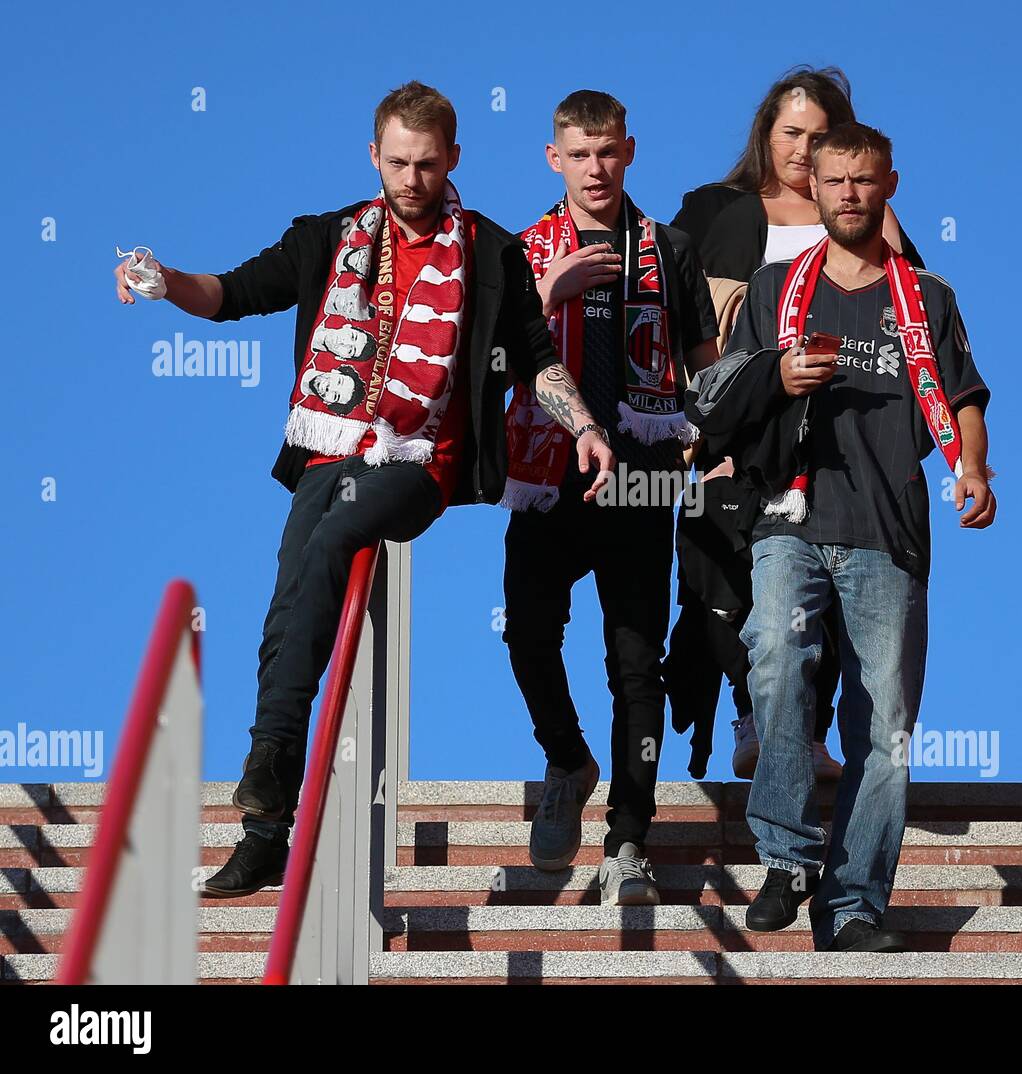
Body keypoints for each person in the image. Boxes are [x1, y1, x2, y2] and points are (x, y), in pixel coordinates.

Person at [115, 81, 615, 898]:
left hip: (418, 463)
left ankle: (270, 767)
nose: (410, 180)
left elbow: (533, 353)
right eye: (395, 162)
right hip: (325, 454)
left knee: (333, 542)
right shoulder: (326, 237)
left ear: (453, 159)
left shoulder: (490, 251)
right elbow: (234, 294)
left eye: (426, 164)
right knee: (288, 609)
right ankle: (265, 826)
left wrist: (586, 423)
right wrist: (162, 278)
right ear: (372, 156)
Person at [685, 122, 996, 952]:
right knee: (779, 662)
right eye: (834, 181)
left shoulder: (927, 296)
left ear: (890, 183)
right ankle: (787, 860)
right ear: (812, 188)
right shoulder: (774, 287)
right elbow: (713, 394)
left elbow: (964, 392)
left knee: (884, 726)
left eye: (864, 180)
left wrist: (972, 468)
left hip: (889, 533)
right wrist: (777, 376)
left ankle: (854, 905)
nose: (850, 194)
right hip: (789, 517)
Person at [667, 67, 926, 781]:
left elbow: (919, 321)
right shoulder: (718, 208)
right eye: (791, 133)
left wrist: (888, 224)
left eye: (820, 137)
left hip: (844, 445)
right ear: (766, 133)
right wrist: (704, 431)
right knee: (729, 578)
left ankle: (807, 733)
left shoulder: (855, 213)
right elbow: (670, 310)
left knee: (835, 589)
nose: (803, 149)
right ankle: (756, 717)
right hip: (734, 433)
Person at [500, 90, 718, 905]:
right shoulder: (520, 252)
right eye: (579, 154)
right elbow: (488, 367)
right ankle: (566, 757)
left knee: (636, 664)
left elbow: (705, 368)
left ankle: (628, 842)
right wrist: (545, 293)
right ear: (553, 158)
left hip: (640, 475)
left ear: (630, 152)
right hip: (546, 471)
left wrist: (710, 452)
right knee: (525, 632)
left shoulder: (670, 248)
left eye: (609, 152)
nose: (596, 169)